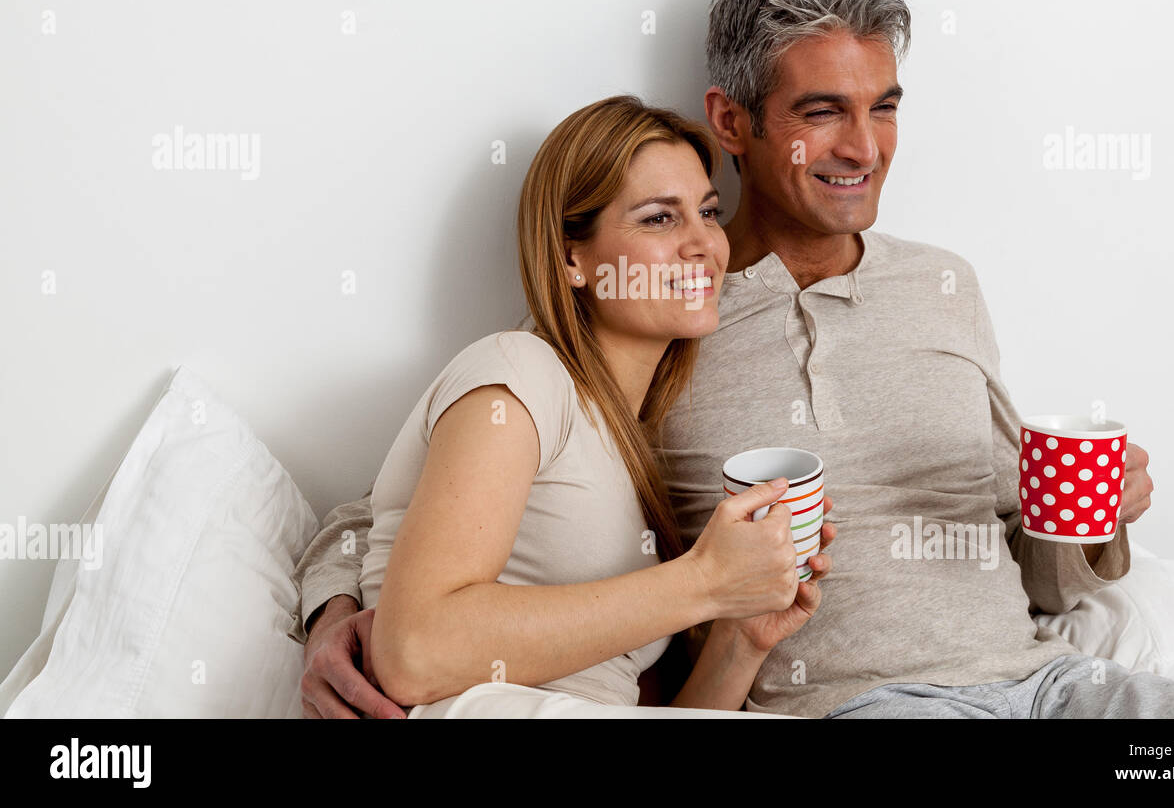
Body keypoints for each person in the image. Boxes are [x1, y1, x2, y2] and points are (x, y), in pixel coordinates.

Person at [293, 0, 1174, 719]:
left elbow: (1039, 552)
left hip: (1056, 686)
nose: (863, 148)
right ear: (732, 122)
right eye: (822, 111)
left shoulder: (944, 285)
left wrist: (1100, 519)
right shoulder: (662, 305)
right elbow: (425, 481)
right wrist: (337, 611)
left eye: (885, 107)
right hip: (857, 702)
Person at [298, 94, 836, 717]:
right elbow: (413, 652)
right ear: (570, 257)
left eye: (708, 212)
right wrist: (703, 582)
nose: (704, 245)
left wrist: (739, 635)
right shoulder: (517, 373)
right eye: (660, 219)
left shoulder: (627, 445)